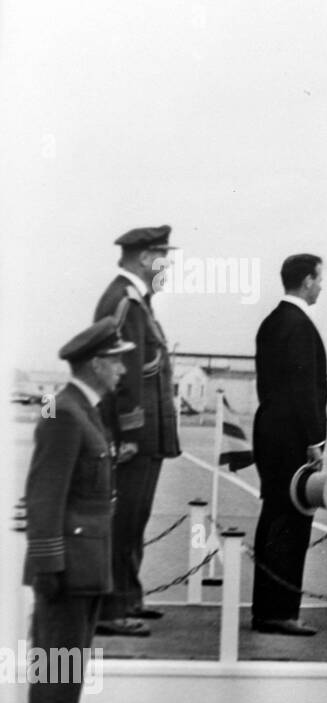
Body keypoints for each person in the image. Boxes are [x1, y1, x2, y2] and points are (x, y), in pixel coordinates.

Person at [23, 318, 134, 703]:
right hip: (66, 570)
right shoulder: (63, 412)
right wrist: (48, 568)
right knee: (57, 674)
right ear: (95, 364)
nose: (123, 371)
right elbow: (44, 497)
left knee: (65, 674)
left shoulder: (82, 410)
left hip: (85, 566)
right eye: (116, 362)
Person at [92, 225, 181, 637]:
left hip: (147, 434)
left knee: (135, 519)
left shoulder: (137, 303)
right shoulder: (125, 302)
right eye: (165, 257)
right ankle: (111, 611)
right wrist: (126, 435)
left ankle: (128, 597)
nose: (169, 266)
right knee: (122, 521)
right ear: (146, 259)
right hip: (134, 436)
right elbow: (121, 376)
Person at [250, 254, 327, 636]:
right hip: (293, 438)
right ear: (307, 281)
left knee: (274, 518)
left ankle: (268, 608)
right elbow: (303, 389)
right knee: (291, 523)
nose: (321, 286)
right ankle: (279, 612)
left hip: (270, 431)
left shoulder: (271, 323)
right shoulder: (299, 326)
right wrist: (315, 440)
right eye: (319, 278)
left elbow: (269, 386)